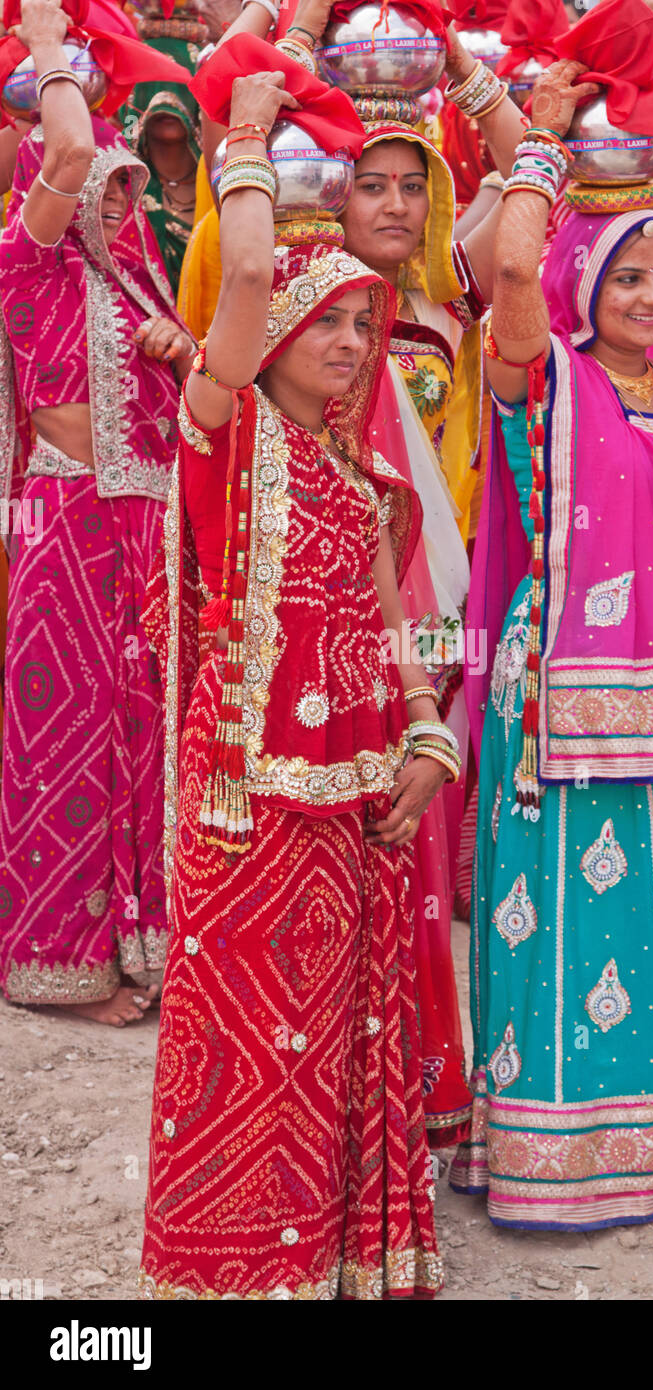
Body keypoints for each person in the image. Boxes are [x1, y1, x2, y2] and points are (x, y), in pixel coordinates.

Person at [450, 60, 653, 1230]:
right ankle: (550, 1152)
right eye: (622, 275)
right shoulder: (542, 380)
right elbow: (501, 267)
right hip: (557, 701)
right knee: (550, 920)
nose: (645, 295)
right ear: (578, 283)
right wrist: (533, 139)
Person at [140, 67, 455, 1299]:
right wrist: (249, 140)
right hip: (248, 805)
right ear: (264, 337)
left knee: (335, 1042)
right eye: (324, 322)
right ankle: (224, 1277)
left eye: (362, 329)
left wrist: (431, 740)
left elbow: (389, 627)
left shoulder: (358, 474)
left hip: (356, 802)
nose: (343, 343)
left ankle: (331, 1263)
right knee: (241, 1043)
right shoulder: (223, 430)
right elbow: (256, 270)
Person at [0, 0, 194, 1026]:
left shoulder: (135, 285)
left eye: (126, 193)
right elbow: (69, 142)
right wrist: (43, 38)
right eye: (104, 190)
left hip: (142, 534)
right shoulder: (26, 255)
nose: (115, 209)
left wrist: (179, 352)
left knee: (138, 737)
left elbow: (200, 408)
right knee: (63, 732)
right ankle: (57, 963)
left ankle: (138, 941)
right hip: (63, 525)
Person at [131, 87, 202, 297]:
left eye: (180, 87)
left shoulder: (218, 181)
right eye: (151, 86)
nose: (165, 97)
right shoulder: (125, 187)